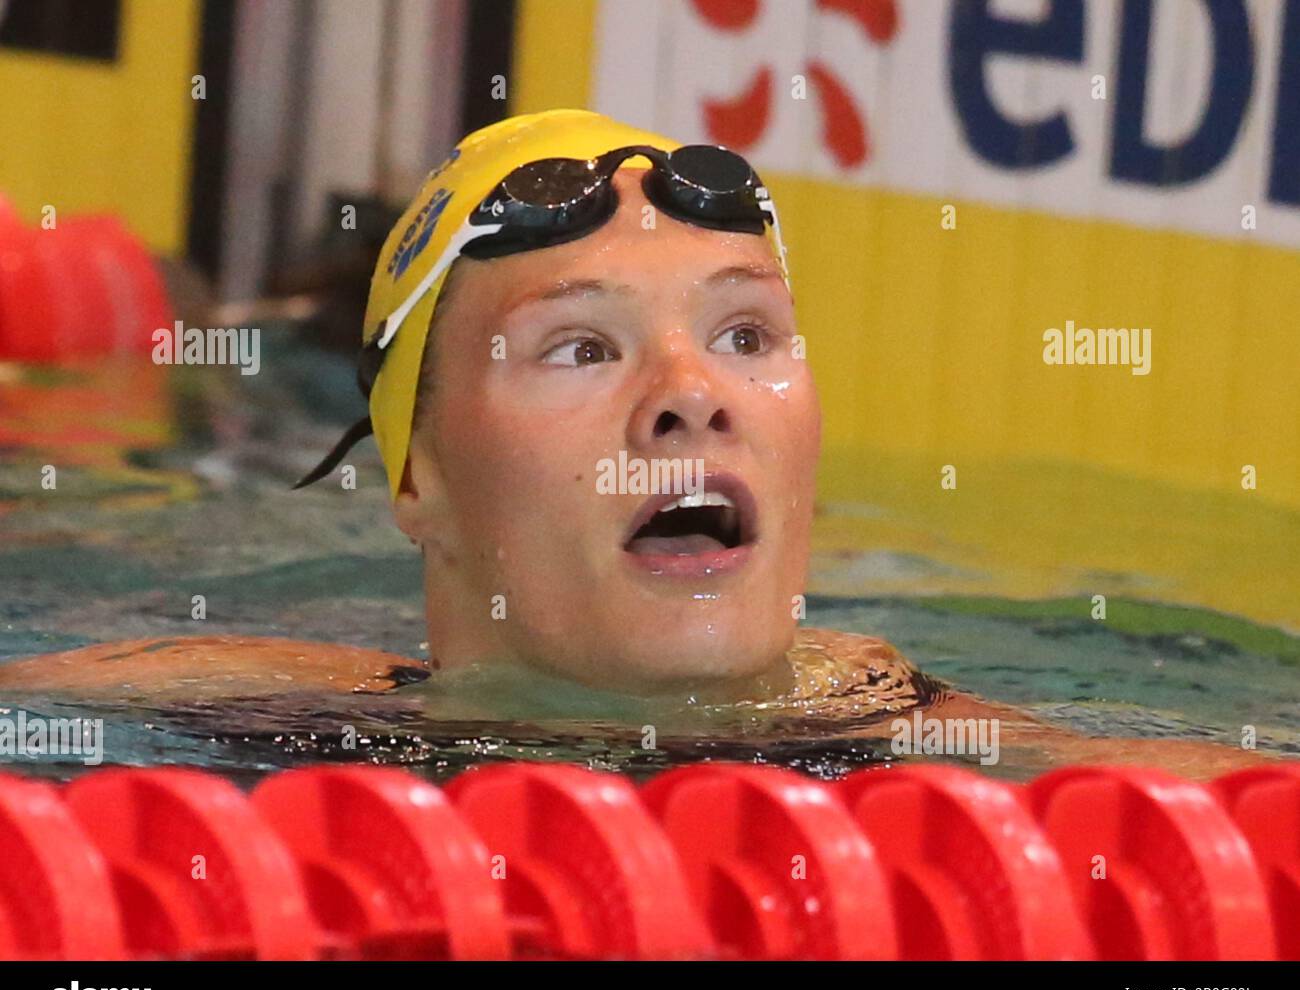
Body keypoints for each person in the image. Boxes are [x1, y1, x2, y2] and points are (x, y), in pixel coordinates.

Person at [0, 110, 1263, 777]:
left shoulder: (893, 723)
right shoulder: (249, 716)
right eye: (583, 348)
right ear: (415, 479)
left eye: (747, 334)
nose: (691, 394)